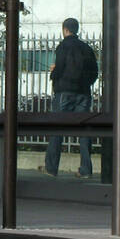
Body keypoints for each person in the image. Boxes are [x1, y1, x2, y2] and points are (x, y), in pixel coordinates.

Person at [38, 18, 99, 178]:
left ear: (65, 30)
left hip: (64, 92)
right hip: (84, 93)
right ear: (76, 29)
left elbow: (60, 68)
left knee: (57, 129)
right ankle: (85, 169)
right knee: (84, 130)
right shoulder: (86, 48)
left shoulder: (63, 46)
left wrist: (54, 72)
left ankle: (51, 167)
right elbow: (95, 72)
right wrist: (85, 84)